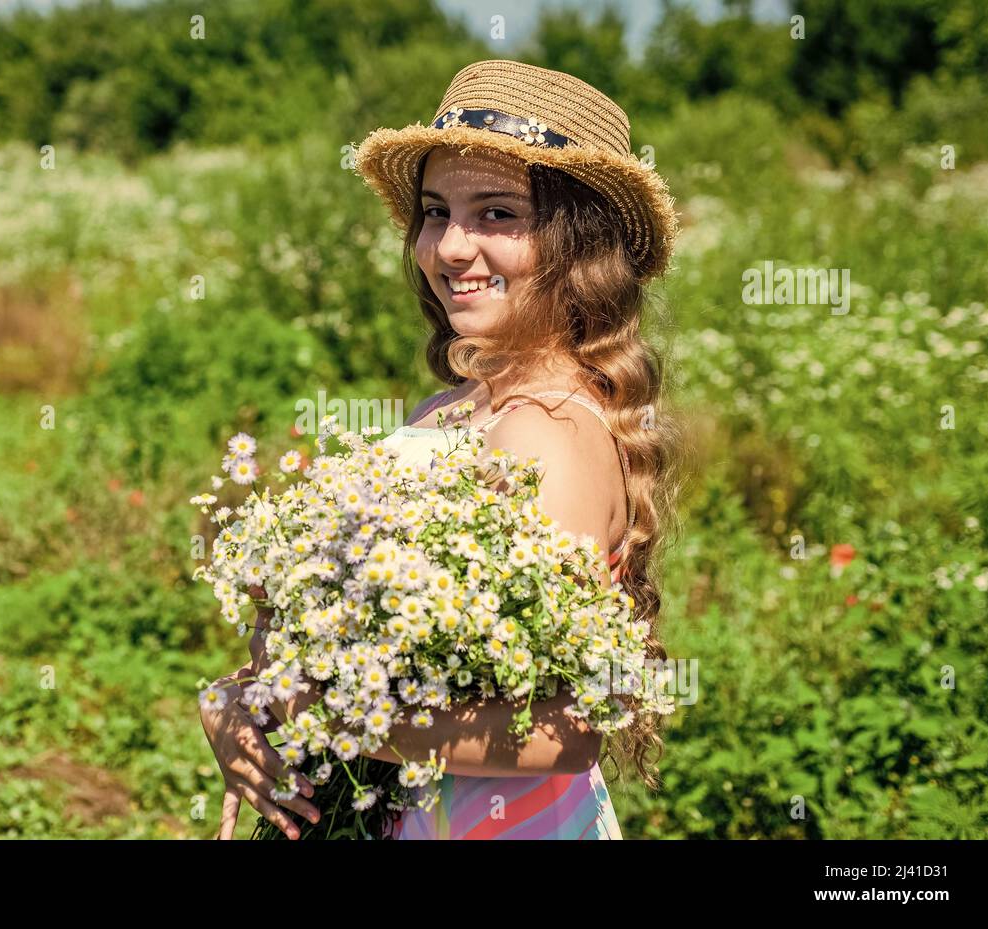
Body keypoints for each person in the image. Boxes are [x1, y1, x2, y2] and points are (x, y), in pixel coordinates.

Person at [201, 58, 682, 839]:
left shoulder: (546, 433)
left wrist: (327, 714)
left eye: (497, 214)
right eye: (435, 212)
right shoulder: (456, 407)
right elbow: (343, 632)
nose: (452, 247)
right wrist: (238, 700)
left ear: (578, 240)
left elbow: (566, 728)